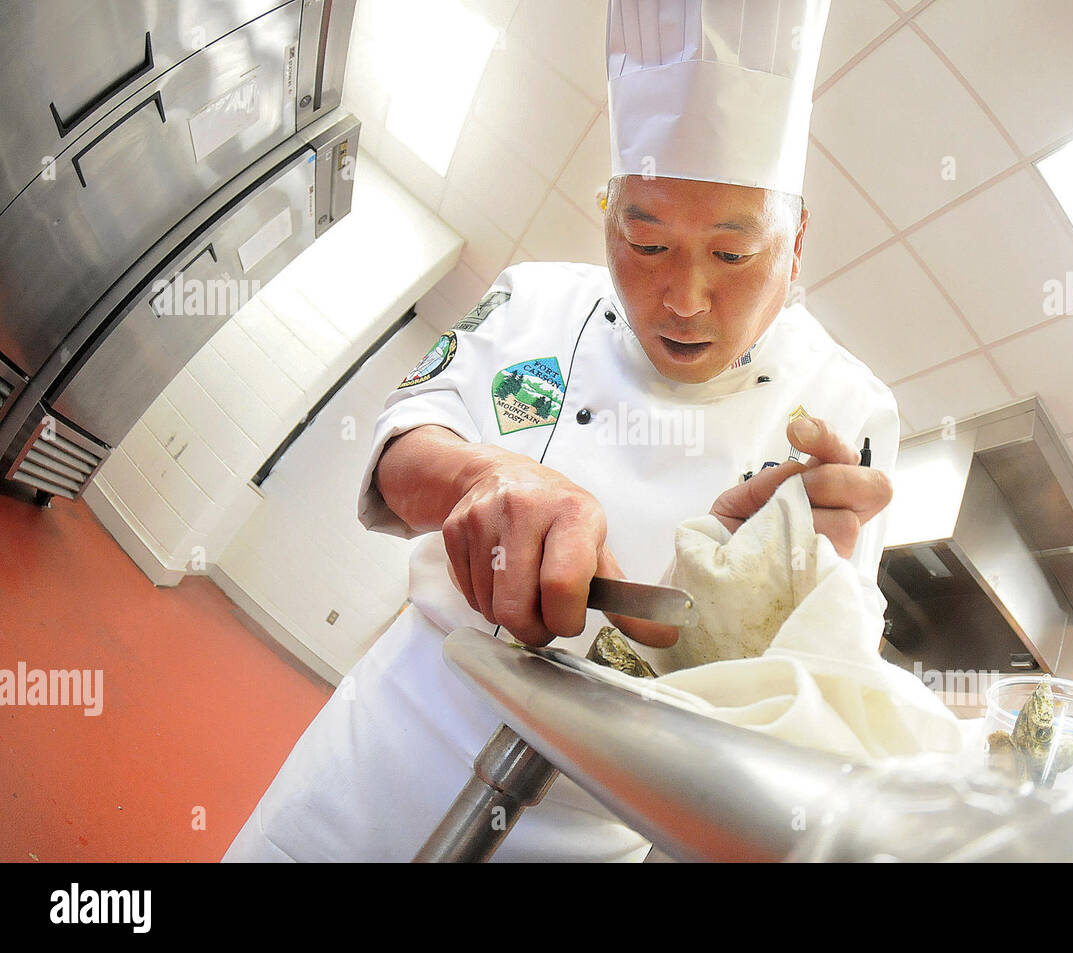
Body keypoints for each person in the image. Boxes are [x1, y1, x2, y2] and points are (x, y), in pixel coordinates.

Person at [223, 0, 898, 862]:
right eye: (645, 242)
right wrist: (482, 478)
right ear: (607, 213)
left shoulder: (847, 407)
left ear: (795, 244)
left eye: (732, 255)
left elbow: (831, 698)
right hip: (390, 743)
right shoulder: (537, 295)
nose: (685, 298)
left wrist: (800, 610)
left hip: (596, 823)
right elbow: (402, 443)